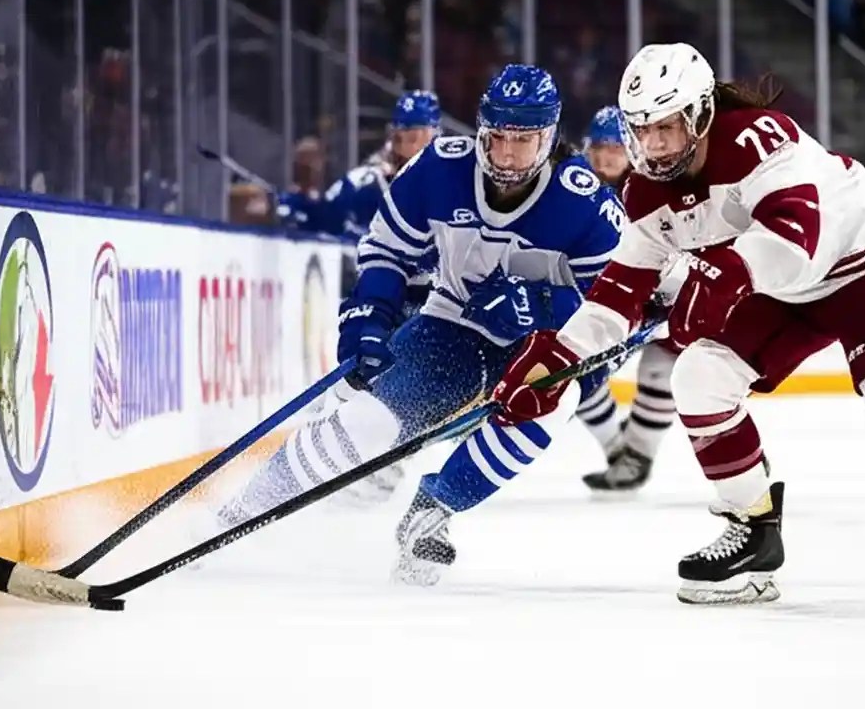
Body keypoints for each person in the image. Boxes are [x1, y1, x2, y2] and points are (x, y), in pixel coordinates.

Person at [492, 43, 865, 613]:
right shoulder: (643, 193)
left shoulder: (758, 139)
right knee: (698, 376)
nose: (654, 144)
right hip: (774, 286)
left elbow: (796, 241)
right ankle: (754, 530)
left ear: (699, 114)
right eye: (642, 129)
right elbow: (617, 296)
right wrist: (559, 359)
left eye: (666, 127)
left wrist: (722, 276)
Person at [215, 65, 625, 587]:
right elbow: (386, 250)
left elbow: (615, 306)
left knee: (551, 405)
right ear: (480, 128)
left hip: (543, 346)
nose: (506, 155)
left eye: (523, 142)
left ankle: (434, 509)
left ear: (548, 138)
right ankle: (244, 510)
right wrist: (370, 317)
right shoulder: (439, 168)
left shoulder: (585, 202)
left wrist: (539, 305)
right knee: (366, 422)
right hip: (450, 324)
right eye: (497, 138)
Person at [575, 104, 681, 494]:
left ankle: (637, 454)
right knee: (576, 372)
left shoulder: (657, 186)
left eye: (615, 148)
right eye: (598, 148)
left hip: (660, 299)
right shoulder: (569, 190)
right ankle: (619, 450)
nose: (605, 158)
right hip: (596, 301)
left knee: (665, 366)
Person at [277, 90, 441, 236]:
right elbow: (322, 223)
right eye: (406, 138)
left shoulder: (446, 186)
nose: (415, 147)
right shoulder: (361, 184)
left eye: (419, 137)